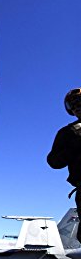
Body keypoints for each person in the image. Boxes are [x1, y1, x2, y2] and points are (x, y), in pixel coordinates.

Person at [47, 88, 81, 243]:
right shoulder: (68, 133)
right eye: (73, 104)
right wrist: (74, 145)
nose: (77, 106)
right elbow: (53, 162)